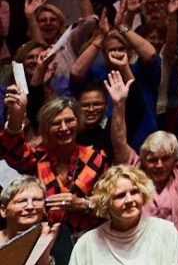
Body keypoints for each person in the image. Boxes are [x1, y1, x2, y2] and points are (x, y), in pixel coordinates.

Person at [107, 64, 178, 265]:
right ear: (142, 159)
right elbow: (119, 144)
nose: (159, 165)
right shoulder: (135, 175)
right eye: (152, 159)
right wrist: (119, 105)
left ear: (174, 158)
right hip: (147, 264)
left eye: (165, 159)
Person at [66, 164, 178, 265]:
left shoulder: (165, 232)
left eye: (134, 192)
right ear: (106, 203)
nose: (129, 200)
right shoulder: (86, 244)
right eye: (120, 196)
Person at [0, 94, 110, 234]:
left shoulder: (96, 158)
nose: (64, 128)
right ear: (46, 127)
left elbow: (109, 202)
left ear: (78, 121)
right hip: (42, 238)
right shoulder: (37, 158)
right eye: (56, 123)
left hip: (88, 238)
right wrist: (16, 115)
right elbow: (12, 148)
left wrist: (83, 204)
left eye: (69, 120)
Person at [0, 176, 70, 265]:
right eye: (21, 201)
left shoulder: (56, 234)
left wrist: (44, 261)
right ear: (3, 210)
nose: (30, 206)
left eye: (37, 200)